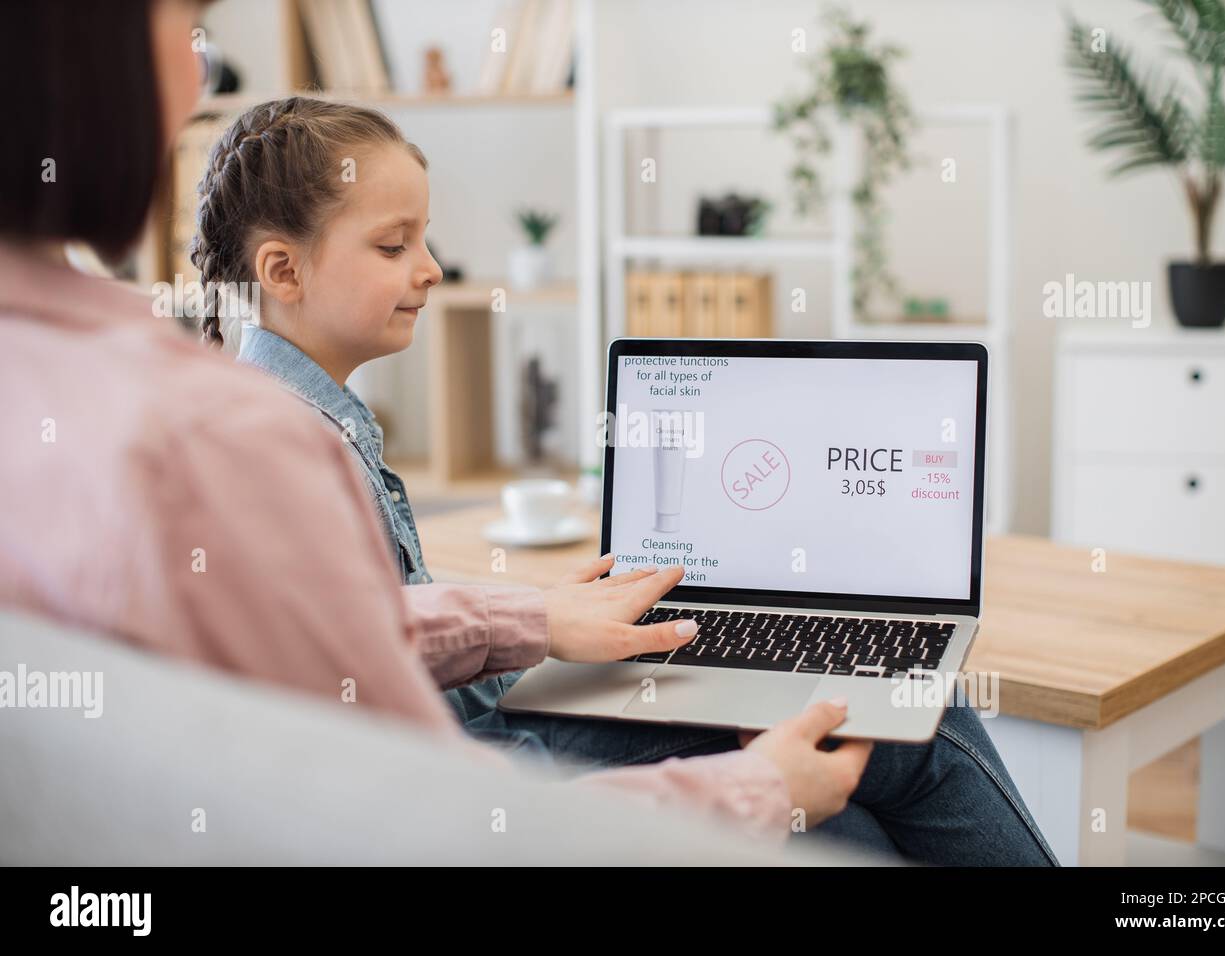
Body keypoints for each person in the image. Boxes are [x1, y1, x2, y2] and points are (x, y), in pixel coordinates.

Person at [0, 0, 1058, 864]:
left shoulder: (88, 397)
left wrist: (531, 614)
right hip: (484, 750)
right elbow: (435, 814)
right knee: (898, 738)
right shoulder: (229, 439)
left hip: (463, 714)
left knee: (874, 750)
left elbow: (332, 637)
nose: (201, 73)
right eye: (182, 26)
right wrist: (751, 787)